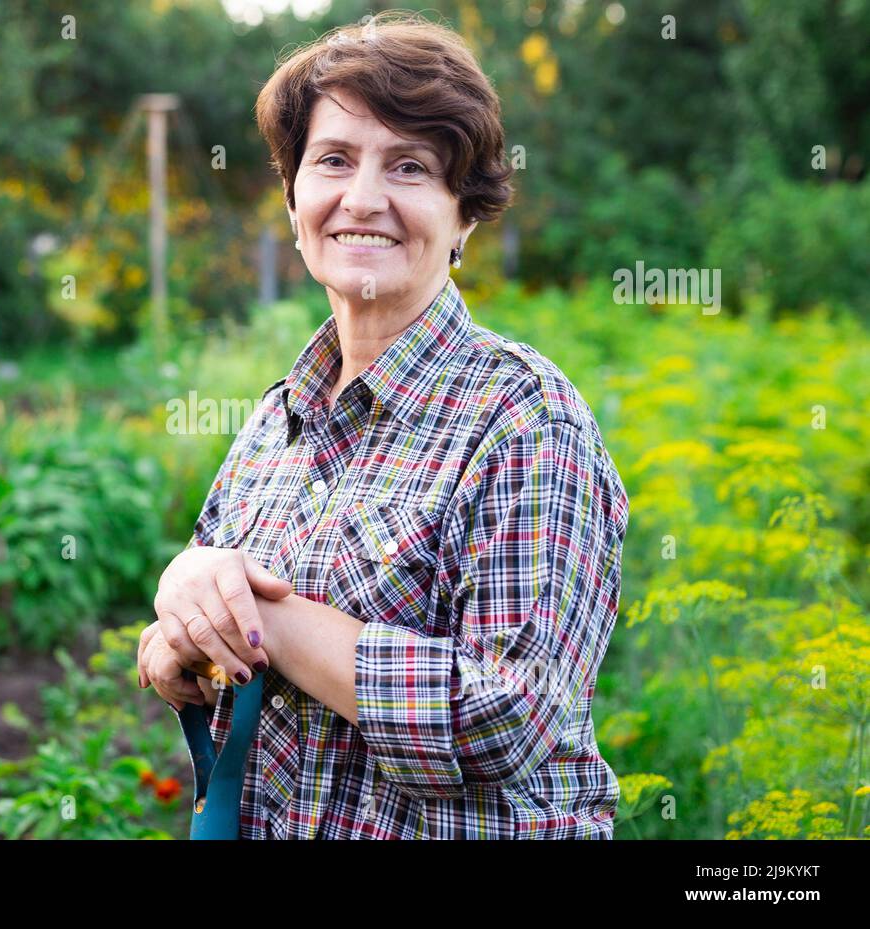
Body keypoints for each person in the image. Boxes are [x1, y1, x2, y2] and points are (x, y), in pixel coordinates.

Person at [137, 13, 629, 839]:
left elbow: (511, 716)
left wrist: (277, 626)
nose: (363, 199)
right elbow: (202, 639)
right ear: (294, 198)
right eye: (332, 160)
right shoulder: (274, 421)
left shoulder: (524, 421)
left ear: (464, 214)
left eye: (410, 166)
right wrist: (173, 630)